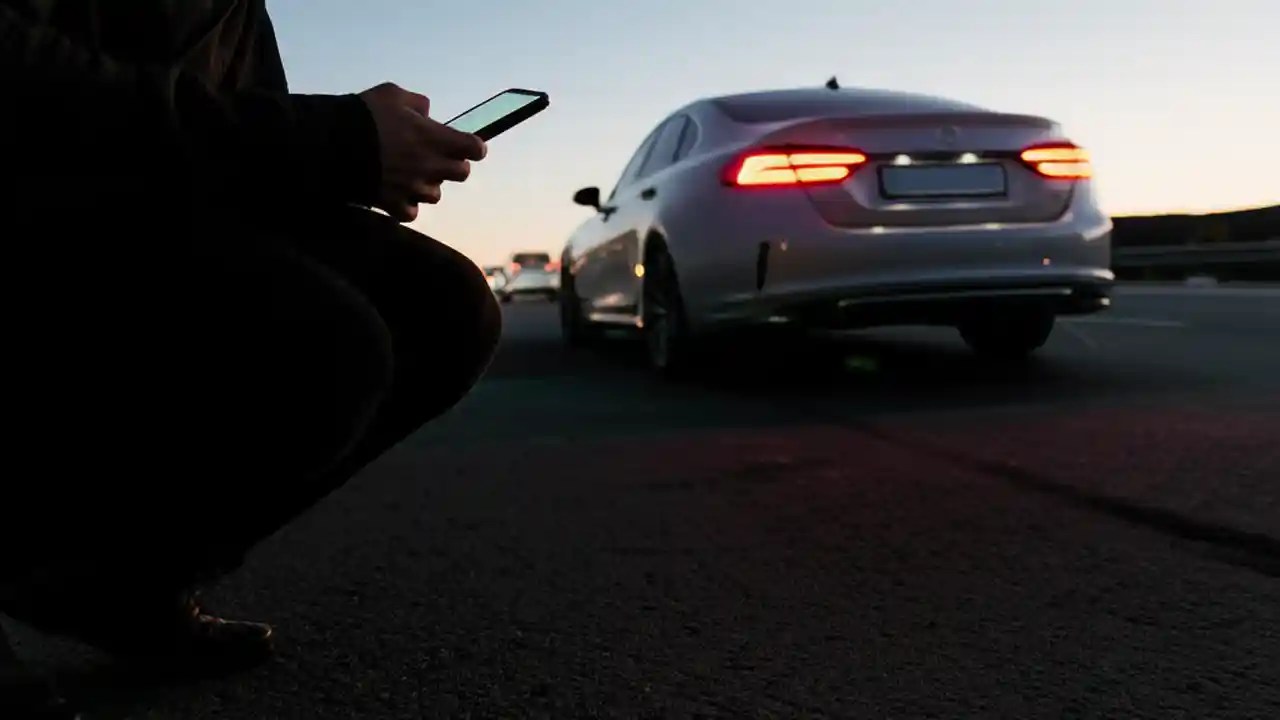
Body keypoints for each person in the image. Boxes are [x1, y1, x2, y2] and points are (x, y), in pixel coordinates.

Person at [1, 0, 501, 715]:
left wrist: (356, 165)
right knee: (329, 340)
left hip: (150, 209)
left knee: (441, 305)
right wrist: (335, 138)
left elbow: (252, 137)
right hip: (39, 209)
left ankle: (121, 586)